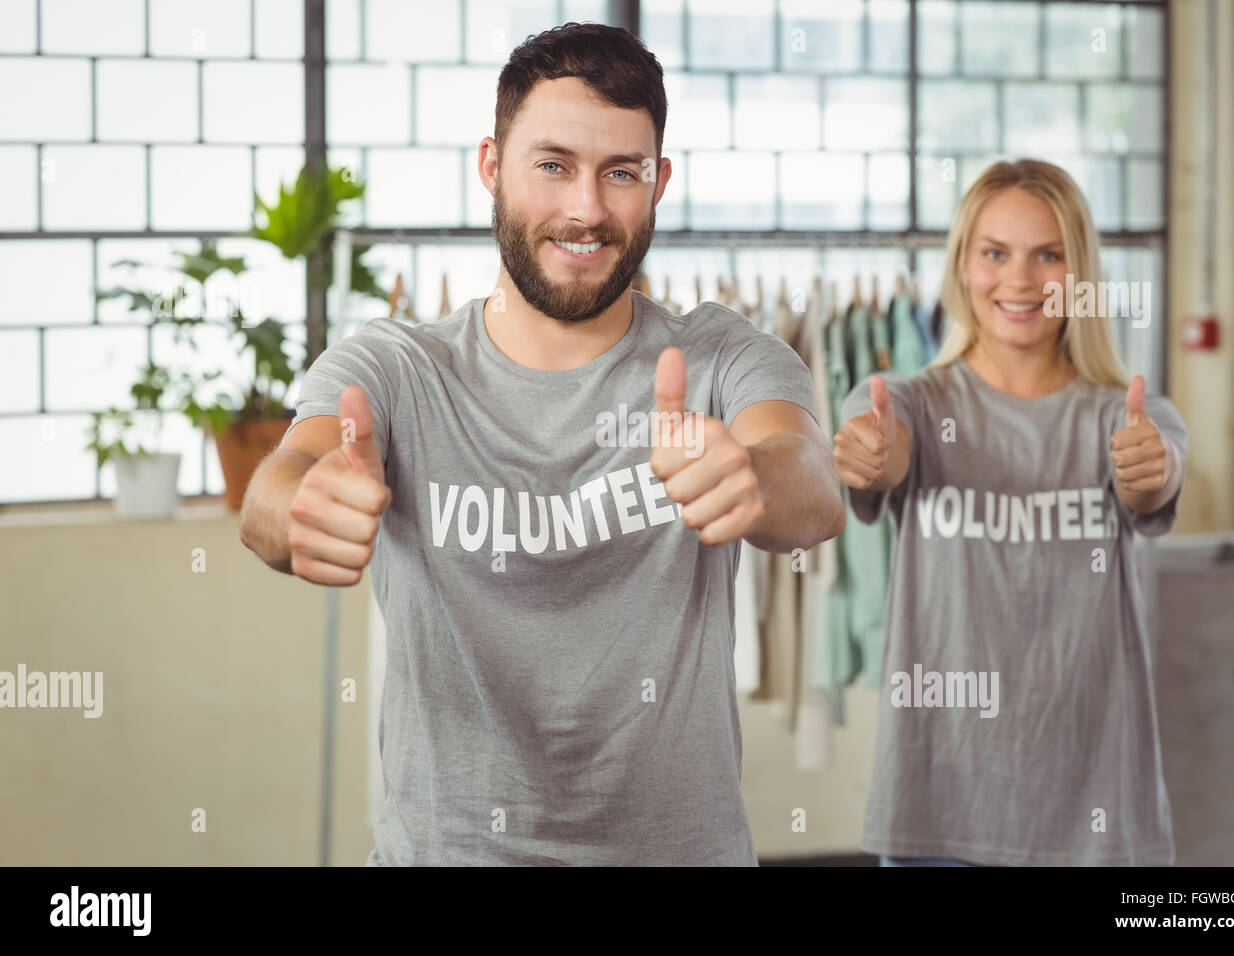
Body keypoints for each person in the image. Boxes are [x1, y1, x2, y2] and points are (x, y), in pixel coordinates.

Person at [237, 22, 844, 866]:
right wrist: (296, 506)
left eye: (620, 173)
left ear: (658, 181)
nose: (586, 210)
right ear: (493, 166)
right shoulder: (395, 367)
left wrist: (754, 479)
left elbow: (812, 479)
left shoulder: (721, 353)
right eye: (552, 165)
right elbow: (282, 479)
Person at [833, 159, 1187, 867]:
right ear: (963, 267)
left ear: (1079, 273)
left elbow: (1155, 480)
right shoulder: (909, 404)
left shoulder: (1127, 418)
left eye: (1048, 255)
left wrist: (1150, 471)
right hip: (938, 811)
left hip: (1095, 822)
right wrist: (873, 453)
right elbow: (882, 449)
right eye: (995, 253)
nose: (1020, 280)